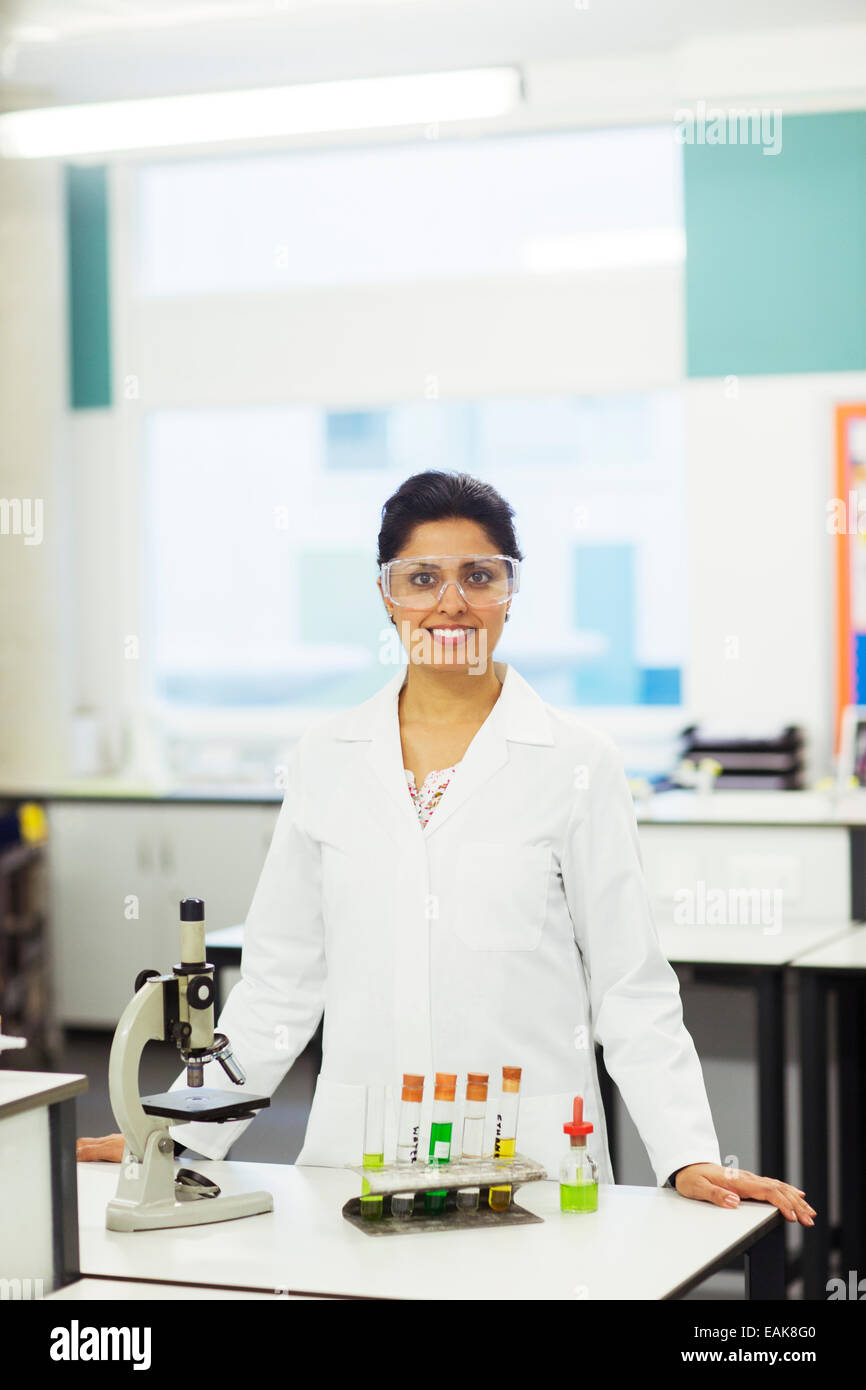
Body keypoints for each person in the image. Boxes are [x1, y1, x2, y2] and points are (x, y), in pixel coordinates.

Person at [79, 471, 814, 1228]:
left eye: (479, 575)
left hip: (529, 1157)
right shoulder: (327, 756)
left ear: (509, 593)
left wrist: (689, 1153)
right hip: (357, 1157)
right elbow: (280, 983)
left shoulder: (576, 761)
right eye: (422, 577)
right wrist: (176, 1141)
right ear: (387, 595)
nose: (451, 601)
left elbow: (630, 986)